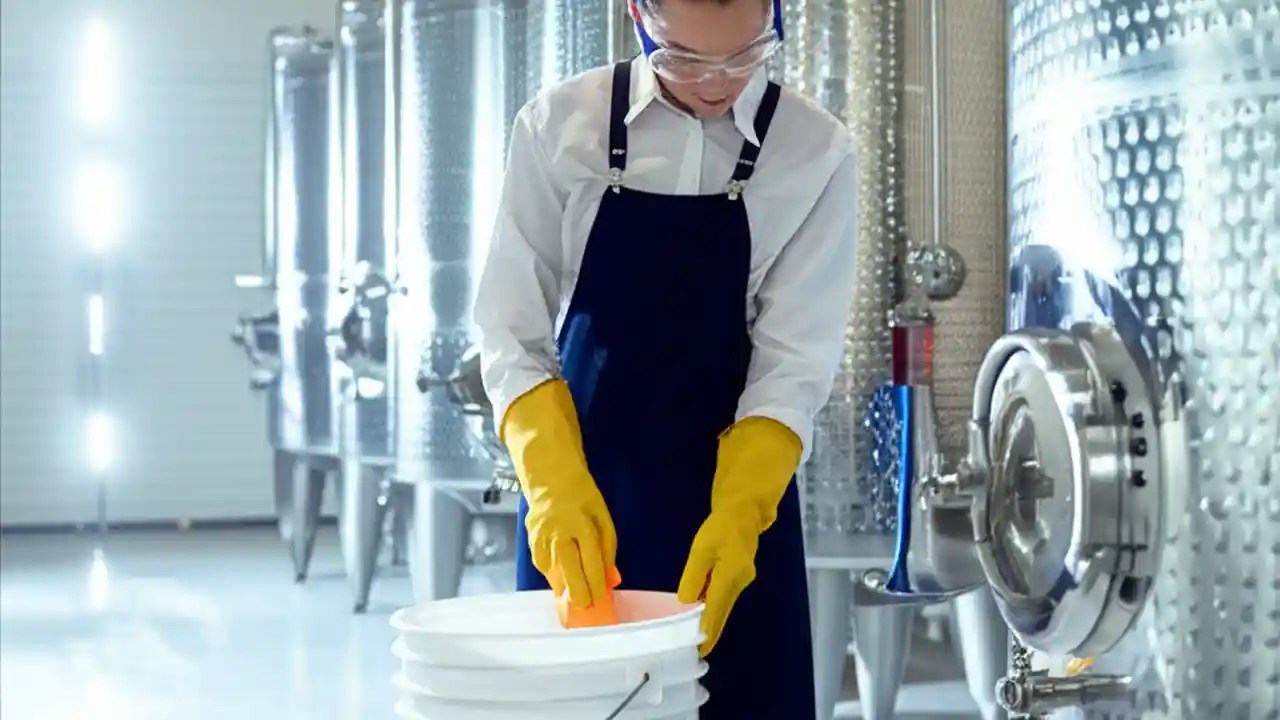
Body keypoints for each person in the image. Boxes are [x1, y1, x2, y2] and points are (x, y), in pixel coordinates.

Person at [475, 0, 857, 715]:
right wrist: (552, 483)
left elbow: (794, 360)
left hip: (733, 512)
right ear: (636, 14)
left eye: (746, 57)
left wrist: (743, 513)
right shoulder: (560, 126)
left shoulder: (816, 152)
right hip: (585, 496)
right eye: (682, 58)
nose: (717, 85)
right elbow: (511, 329)